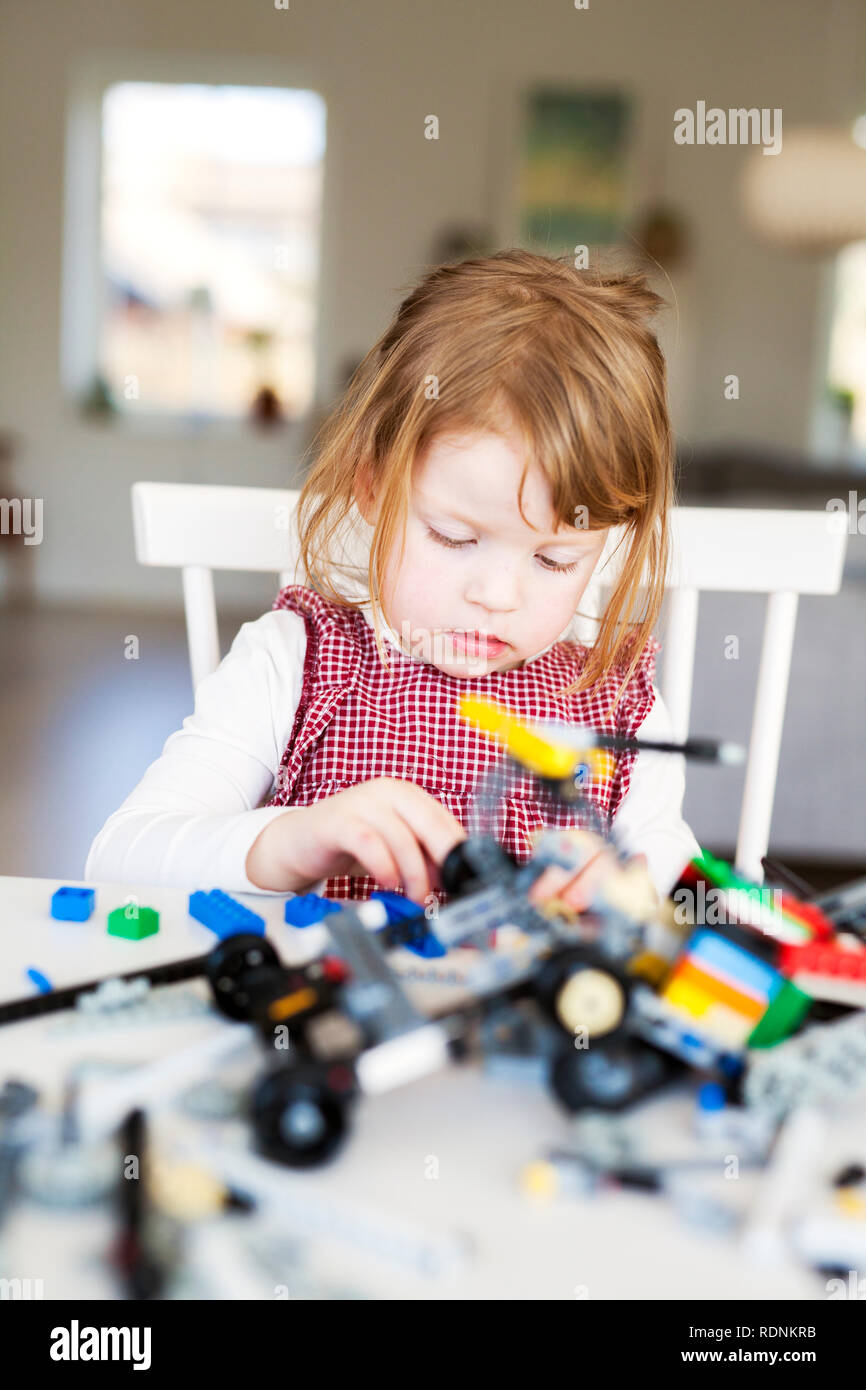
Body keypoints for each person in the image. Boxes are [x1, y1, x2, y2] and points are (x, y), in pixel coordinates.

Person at [85, 249, 700, 907]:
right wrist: (292, 840)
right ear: (373, 487)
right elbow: (122, 858)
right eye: (454, 538)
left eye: (554, 561)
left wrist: (633, 893)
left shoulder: (617, 709)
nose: (497, 595)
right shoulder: (296, 661)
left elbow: (686, 897)